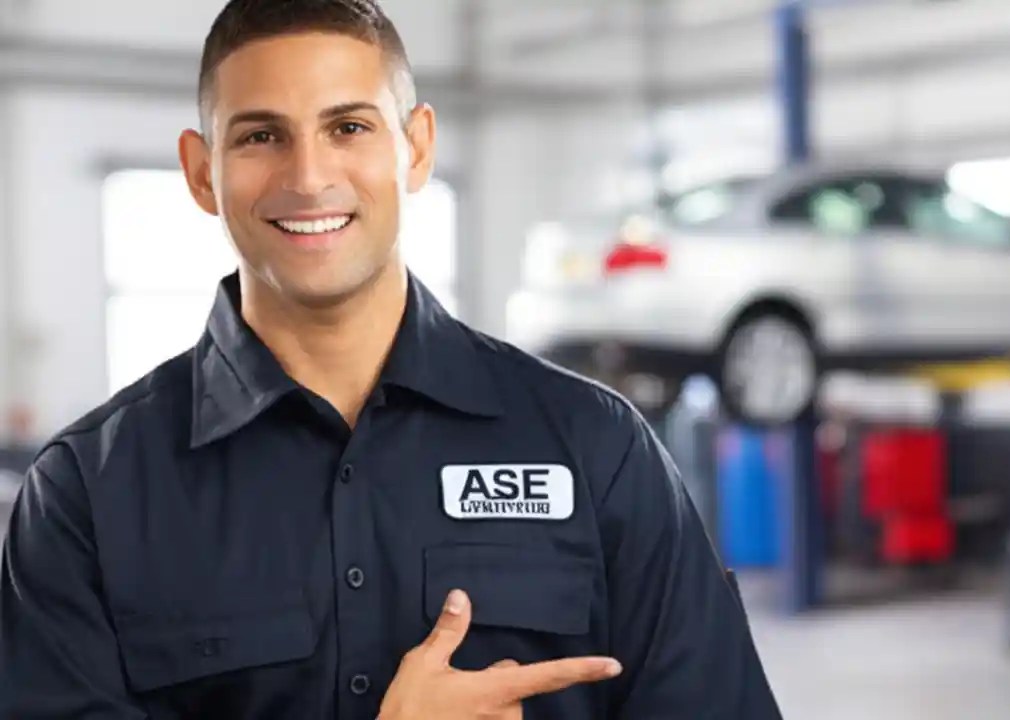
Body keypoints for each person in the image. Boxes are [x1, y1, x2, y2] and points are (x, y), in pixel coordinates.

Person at [0, 1, 783, 718]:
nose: (308, 178)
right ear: (203, 171)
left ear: (416, 148)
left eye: (348, 127)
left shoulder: (594, 446)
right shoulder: (86, 497)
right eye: (261, 135)